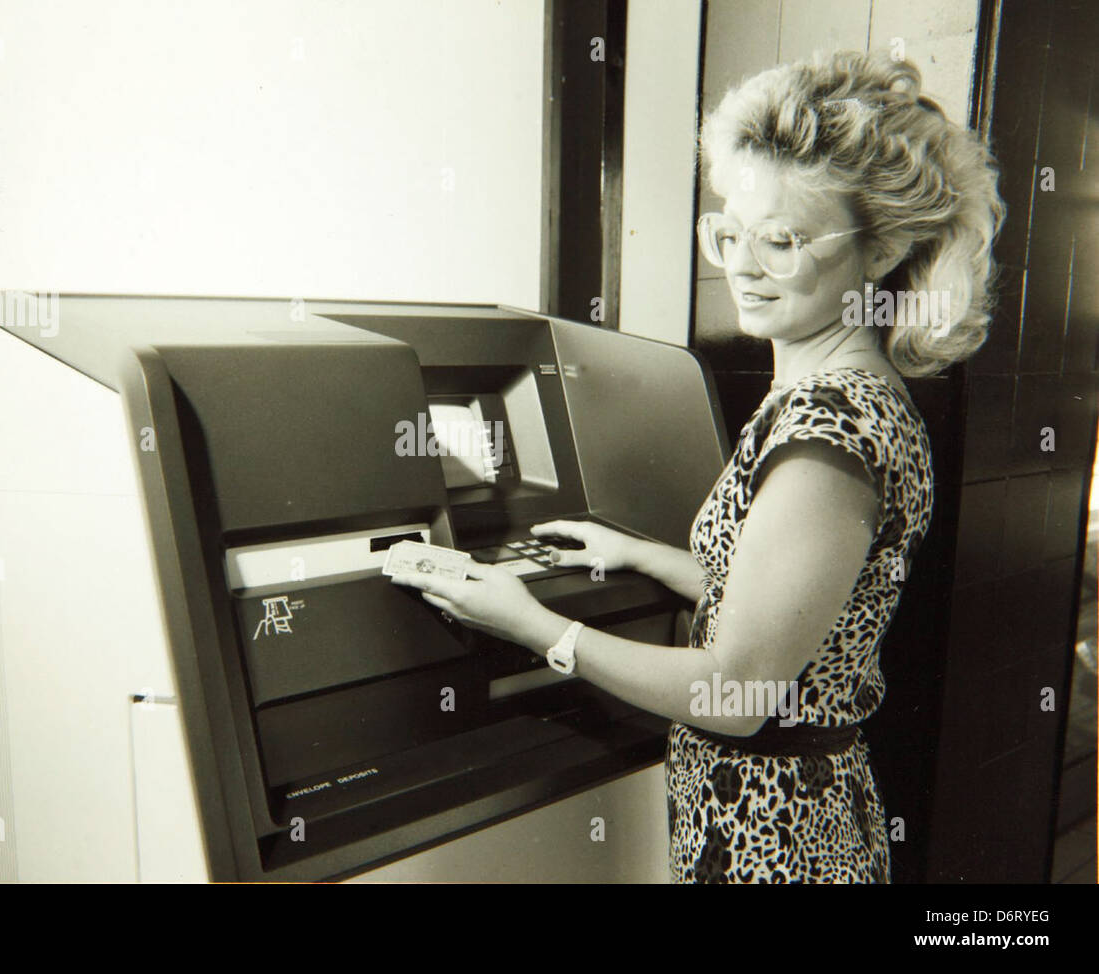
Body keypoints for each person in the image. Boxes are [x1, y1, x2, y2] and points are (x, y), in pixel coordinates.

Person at [392, 50, 1004, 883]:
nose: (744, 266)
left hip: (774, 838)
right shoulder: (848, 393)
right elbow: (790, 605)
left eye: (782, 240)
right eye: (728, 229)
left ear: (878, 252)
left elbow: (742, 694)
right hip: (797, 810)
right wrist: (644, 556)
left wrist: (538, 626)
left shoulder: (827, 434)